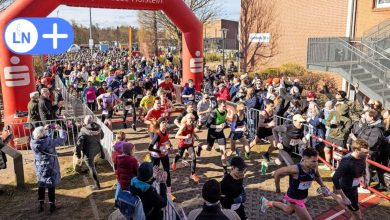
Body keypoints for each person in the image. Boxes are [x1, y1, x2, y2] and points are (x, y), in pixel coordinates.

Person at [260, 148, 328, 220]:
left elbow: (317, 176)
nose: (316, 163)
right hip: (294, 198)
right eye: (313, 161)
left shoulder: (313, 166)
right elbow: (277, 173)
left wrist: (323, 187)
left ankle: (266, 202)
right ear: (305, 159)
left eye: (317, 161)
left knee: (288, 210)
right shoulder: (295, 169)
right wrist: (277, 190)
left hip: (303, 196)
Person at [30, 125, 67, 213]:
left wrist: (44, 130)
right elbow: (62, 139)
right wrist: (60, 130)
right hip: (50, 165)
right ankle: (52, 205)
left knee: (41, 184)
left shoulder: (32, 142)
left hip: (39, 166)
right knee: (51, 185)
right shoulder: (49, 142)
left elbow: (42, 138)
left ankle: (41, 204)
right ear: (44, 134)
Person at [332, 139, 369, 220]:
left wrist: (366, 179)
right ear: (356, 150)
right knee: (357, 213)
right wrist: (344, 197)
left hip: (354, 186)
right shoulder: (346, 161)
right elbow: (335, 178)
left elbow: (363, 165)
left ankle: (333, 195)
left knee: (352, 209)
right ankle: (333, 194)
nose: (367, 154)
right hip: (347, 188)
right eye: (365, 152)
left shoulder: (362, 156)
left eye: (367, 152)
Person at [197, 100, 229, 174]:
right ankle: (200, 147)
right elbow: (207, 125)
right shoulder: (214, 113)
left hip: (220, 133)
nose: (225, 107)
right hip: (212, 133)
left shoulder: (225, 111)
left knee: (223, 152)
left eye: (225, 106)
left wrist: (225, 123)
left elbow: (224, 120)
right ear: (219, 106)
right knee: (209, 148)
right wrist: (218, 126)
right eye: (223, 106)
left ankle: (225, 171)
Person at [76, 115, 105, 190]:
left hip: (89, 152)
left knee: (91, 168)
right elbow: (102, 136)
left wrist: (78, 154)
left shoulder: (83, 132)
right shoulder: (98, 127)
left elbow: (79, 145)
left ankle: (97, 184)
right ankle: (94, 164)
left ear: (85, 122)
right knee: (93, 164)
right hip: (98, 149)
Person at [147, 117, 174, 198]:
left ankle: (169, 193)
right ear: (159, 124)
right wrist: (159, 151)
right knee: (155, 173)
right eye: (163, 123)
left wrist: (170, 145)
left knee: (167, 172)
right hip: (155, 155)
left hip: (164, 154)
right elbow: (149, 148)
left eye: (165, 122)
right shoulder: (157, 135)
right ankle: (152, 189)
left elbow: (167, 140)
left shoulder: (166, 131)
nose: (165, 124)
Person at [172, 114, 200, 183]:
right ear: (186, 119)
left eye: (193, 120)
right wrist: (185, 137)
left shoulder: (192, 125)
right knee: (179, 155)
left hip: (189, 144)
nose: (192, 121)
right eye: (190, 120)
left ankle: (193, 174)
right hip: (182, 144)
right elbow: (176, 136)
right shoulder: (184, 126)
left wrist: (195, 136)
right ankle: (174, 162)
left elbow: (192, 132)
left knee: (193, 157)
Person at [113, 142, 138, 207]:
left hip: (121, 181)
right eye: (133, 150)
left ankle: (118, 204)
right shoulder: (133, 160)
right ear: (130, 151)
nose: (134, 151)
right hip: (131, 182)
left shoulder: (117, 158)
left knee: (122, 193)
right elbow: (137, 172)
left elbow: (116, 168)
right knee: (131, 197)